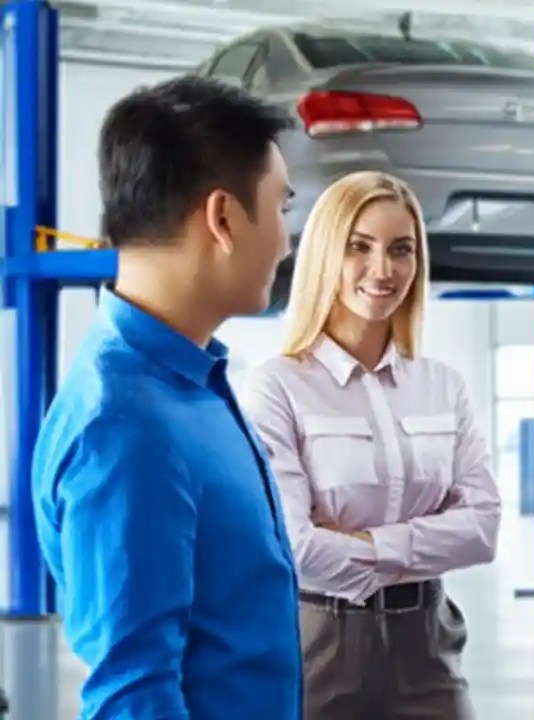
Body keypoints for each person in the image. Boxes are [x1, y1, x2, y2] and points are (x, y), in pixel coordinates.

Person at [31, 76, 302, 718]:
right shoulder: (124, 428)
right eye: (283, 209)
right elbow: (134, 695)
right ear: (223, 219)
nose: (289, 241)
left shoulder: (192, 384)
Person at [240, 170, 501, 719]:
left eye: (400, 250)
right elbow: (296, 547)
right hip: (320, 643)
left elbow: (482, 529)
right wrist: (424, 541)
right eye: (359, 247)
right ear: (324, 255)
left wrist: (363, 541)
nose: (383, 270)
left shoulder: (442, 385)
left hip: (428, 641)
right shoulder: (277, 386)